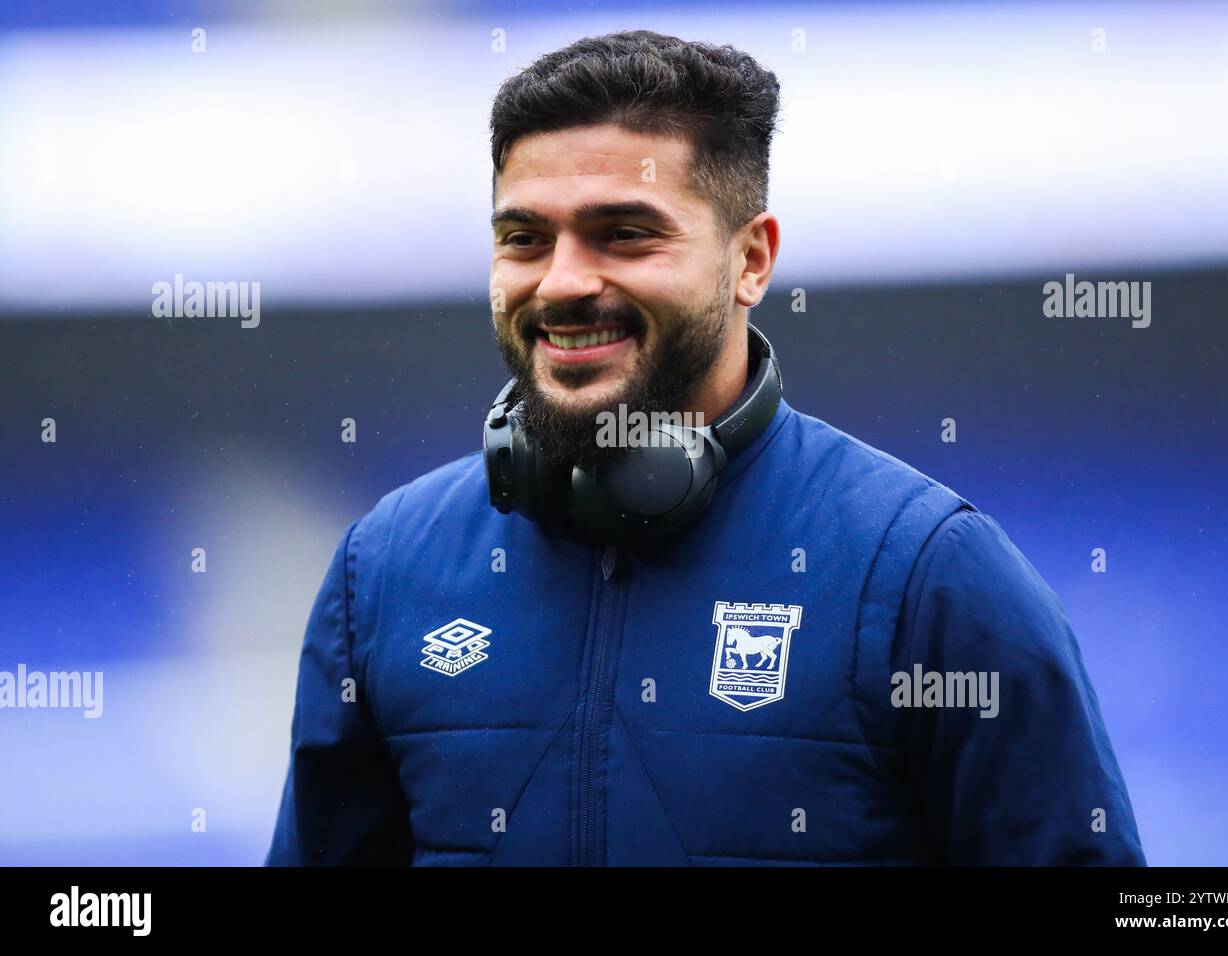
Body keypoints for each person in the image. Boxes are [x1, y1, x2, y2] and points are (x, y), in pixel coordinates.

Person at [267, 30, 1145, 866]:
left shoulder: (928, 574)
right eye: (525, 238)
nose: (564, 282)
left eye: (625, 234)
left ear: (750, 261)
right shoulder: (383, 571)